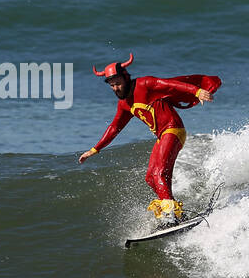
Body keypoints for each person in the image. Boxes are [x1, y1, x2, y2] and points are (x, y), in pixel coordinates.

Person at [78, 54, 221, 221]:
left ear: (125, 78)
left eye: (118, 83)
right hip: (162, 136)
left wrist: (197, 91)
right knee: (150, 178)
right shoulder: (124, 104)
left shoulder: (144, 84)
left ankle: (170, 214)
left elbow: (170, 85)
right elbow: (115, 127)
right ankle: (176, 213)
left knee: (159, 172)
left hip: (173, 129)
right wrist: (95, 149)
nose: (116, 88)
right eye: (112, 85)